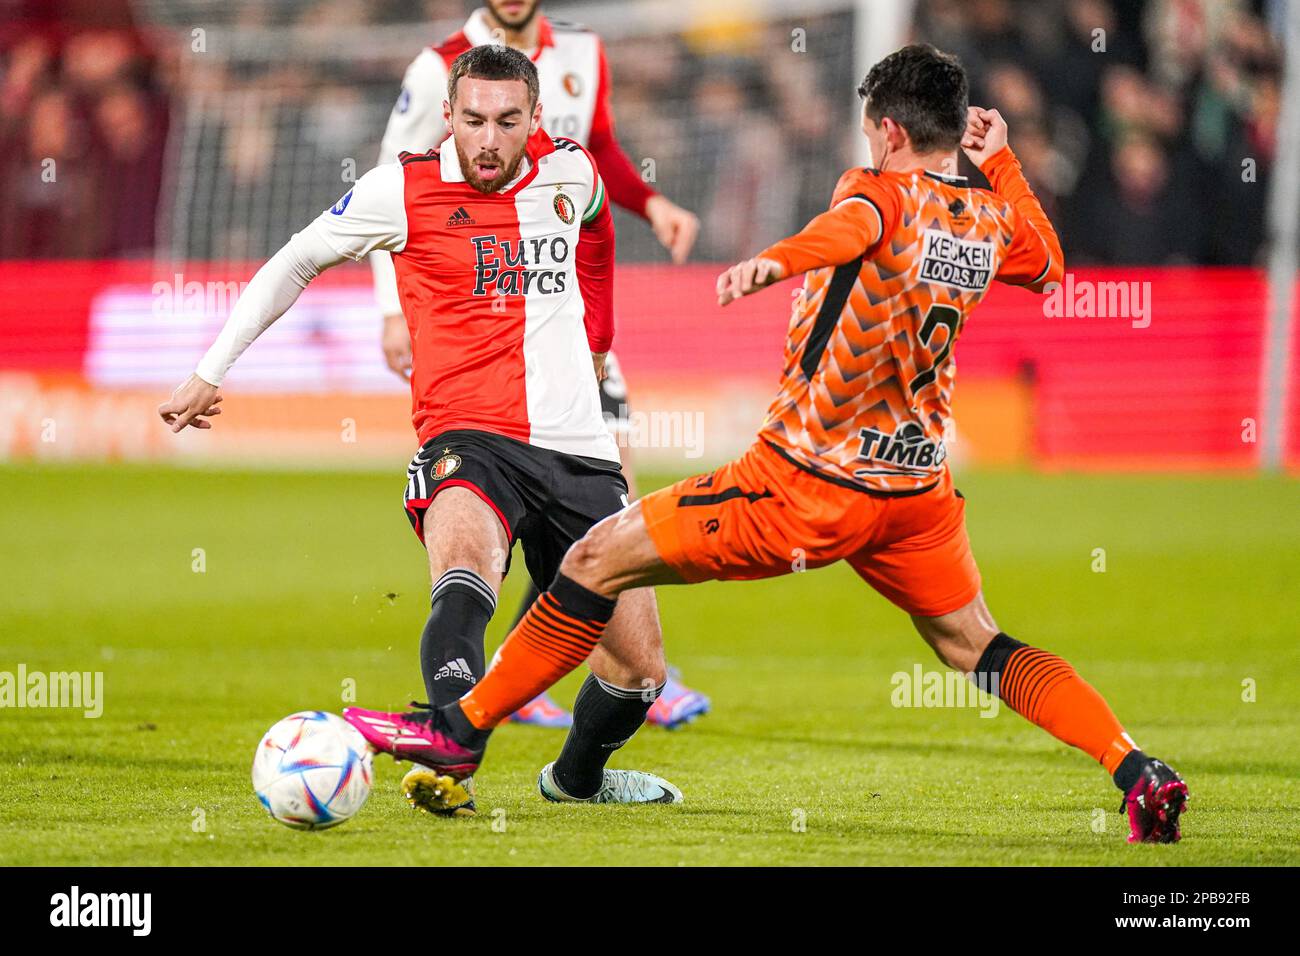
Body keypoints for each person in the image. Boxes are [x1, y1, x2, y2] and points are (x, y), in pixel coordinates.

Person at [345, 44, 1190, 844]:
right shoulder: (988, 216)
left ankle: (458, 733)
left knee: (592, 561)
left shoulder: (875, 190)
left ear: (889, 130)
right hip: (916, 497)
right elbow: (1049, 266)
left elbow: (851, 229)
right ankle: (1135, 766)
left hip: (804, 485)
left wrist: (772, 263)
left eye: (870, 123)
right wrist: (999, 162)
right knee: (979, 646)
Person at [158, 46, 682, 815]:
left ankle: (575, 780)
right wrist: (211, 368)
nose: (488, 140)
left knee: (638, 672)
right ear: (449, 116)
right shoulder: (400, 189)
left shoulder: (572, 172)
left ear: (536, 119)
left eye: (507, 121)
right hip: (466, 436)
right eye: (472, 120)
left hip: (580, 448)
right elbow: (295, 260)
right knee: (466, 573)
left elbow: (599, 233)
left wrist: (599, 337)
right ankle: (447, 755)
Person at [370, 0, 709, 730]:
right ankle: (545, 664)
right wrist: (391, 309)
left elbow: (603, 153)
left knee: (604, 475)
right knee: (551, 485)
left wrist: (653, 204)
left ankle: (581, 660)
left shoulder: (582, 53)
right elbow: (387, 186)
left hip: (561, 306)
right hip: (481, 298)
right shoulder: (442, 64)